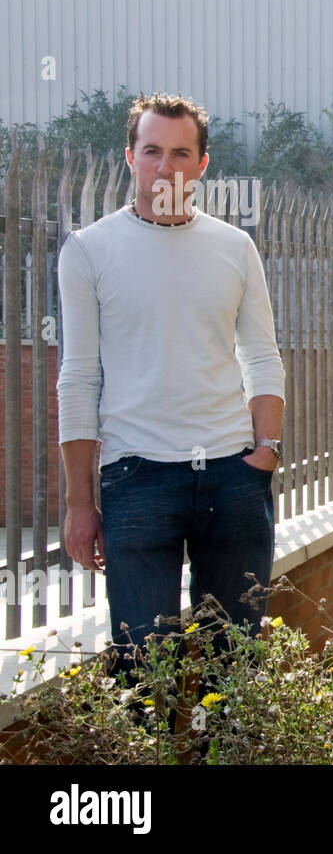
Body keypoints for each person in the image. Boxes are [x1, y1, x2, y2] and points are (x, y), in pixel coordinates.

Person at [57, 92, 285, 676]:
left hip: (234, 476)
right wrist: (81, 503)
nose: (167, 166)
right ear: (130, 157)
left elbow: (261, 355)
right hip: (137, 478)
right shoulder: (89, 250)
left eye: (181, 152)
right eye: (152, 150)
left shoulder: (235, 248)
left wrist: (266, 451)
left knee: (232, 665)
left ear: (202, 164)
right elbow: (79, 377)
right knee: (140, 667)